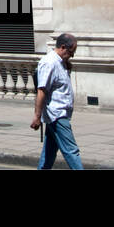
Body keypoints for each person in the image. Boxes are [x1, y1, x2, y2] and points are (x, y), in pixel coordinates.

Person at [31, 32, 82, 170]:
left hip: (59, 113)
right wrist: (37, 117)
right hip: (57, 115)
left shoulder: (61, 62)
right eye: (71, 52)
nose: (72, 56)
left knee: (49, 154)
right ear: (63, 47)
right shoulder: (49, 63)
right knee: (72, 151)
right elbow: (42, 90)